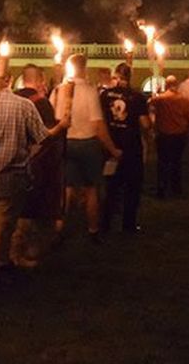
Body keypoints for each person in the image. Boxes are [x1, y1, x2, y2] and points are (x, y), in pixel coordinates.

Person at [0, 68, 62, 277]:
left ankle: (3, 259)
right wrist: (61, 126)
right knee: (1, 225)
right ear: (10, 79)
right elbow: (43, 137)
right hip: (9, 174)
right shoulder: (23, 105)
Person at [57, 53, 119, 241]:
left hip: (67, 141)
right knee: (91, 189)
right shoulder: (90, 91)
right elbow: (98, 124)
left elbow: (57, 118)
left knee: (67, 189)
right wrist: (112, 149)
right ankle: (93, 228)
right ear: (84, 68)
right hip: (87, 143)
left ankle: (60, 227)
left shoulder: (59, 90)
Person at [12, 64, 65, 267]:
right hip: (36, 162)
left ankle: (11, 251)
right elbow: (46, 136)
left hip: (13, 159)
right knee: (32, 209)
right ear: (39, 80)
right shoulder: (40, 104)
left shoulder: (12, 99)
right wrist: (61, 126)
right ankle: (24, 250)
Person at [99, 63, 150, 233]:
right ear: (130, 75)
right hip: (131, 146)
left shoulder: (105, 95)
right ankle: (128, 224)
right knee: (132, 187)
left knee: (111, 186)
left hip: (111, 145)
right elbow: (145, 124)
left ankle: (105, 222)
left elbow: (101, 119)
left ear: (116, 75)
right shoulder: (137, 96)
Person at [148, 76, 189, 198]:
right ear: (176, 85)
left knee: (163, 162)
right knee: (176, 162)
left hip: (163, 135)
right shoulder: (184, 100)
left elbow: (149, 106)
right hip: (179, 135)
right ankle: (176, 187)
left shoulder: (160, 99)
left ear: (166, 85)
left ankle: (162, 188)